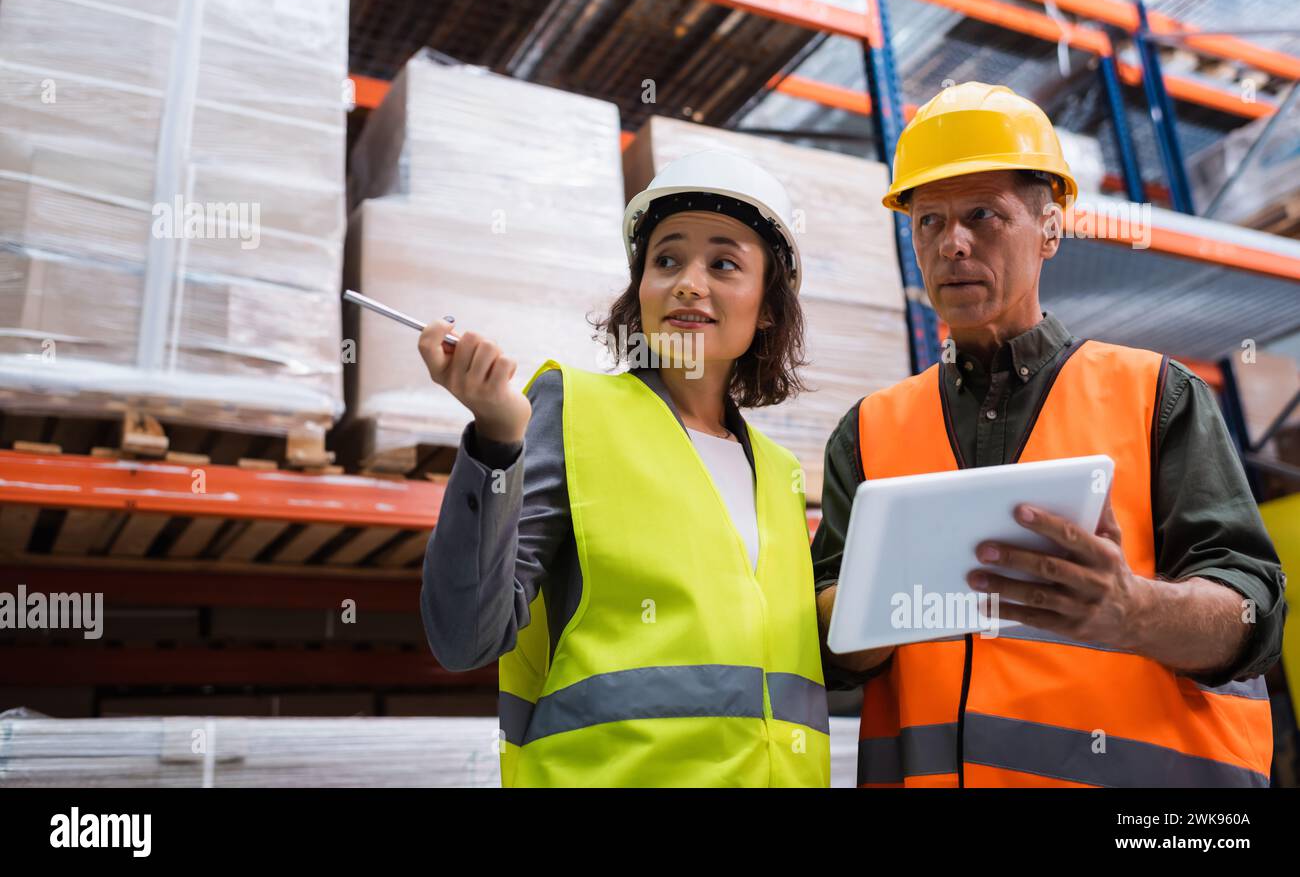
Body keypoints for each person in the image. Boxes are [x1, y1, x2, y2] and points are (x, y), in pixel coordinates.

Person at [813, 82, 1286, 787]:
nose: (953, 244)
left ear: (1051, 227)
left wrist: (1134, 609)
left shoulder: (1157, 394)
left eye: (983, 215)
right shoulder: (870, 431)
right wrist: (856, 615)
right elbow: (826, 640)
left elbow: (1252, 609)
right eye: (928, 222)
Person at [418, 151, 830, 787]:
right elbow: (464, 637)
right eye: (666, 260)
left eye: (723, 263)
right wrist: (497, 441)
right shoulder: (574, 409)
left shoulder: (780, 475)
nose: (688, 283)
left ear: (768, 306)